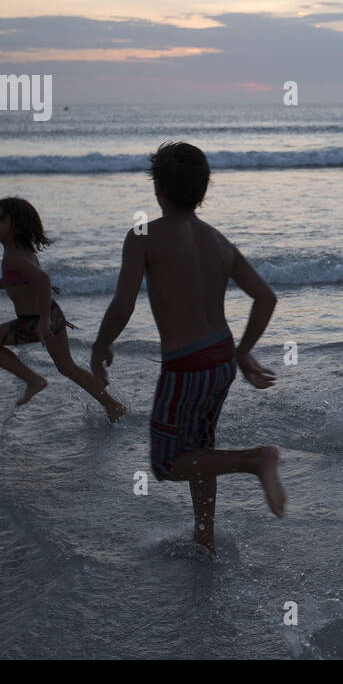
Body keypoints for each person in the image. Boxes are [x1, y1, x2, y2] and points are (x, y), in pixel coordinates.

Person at [90, 142, 285, 556]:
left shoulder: (143, 235)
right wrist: (243, 352)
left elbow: (123, 303)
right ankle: (205, 537)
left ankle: (255, 460)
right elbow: (265, 297)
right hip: (220, 358)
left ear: (157, 188)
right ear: (204, 189)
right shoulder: (217, 240)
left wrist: (101, 346)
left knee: (167, 465)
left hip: (186, 364)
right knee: (199, 450)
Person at [0, 198, 126, 420]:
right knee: (67, 367)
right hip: (49, 315)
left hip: (37, 320)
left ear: (17, 226)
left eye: (2, 220)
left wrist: (43, 321)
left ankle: (33, 380)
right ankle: (113, 406)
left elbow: (43, 280)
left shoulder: (14, 256)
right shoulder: (18, 251)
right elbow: (14, 281)